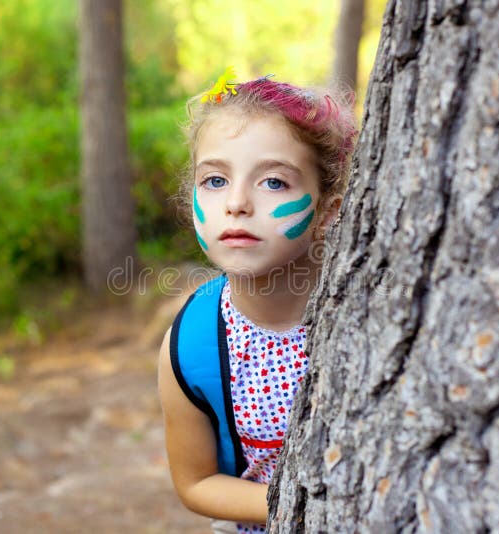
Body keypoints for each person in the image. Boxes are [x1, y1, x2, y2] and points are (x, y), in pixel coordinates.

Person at [157, 68, 358, 533]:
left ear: (327, 210)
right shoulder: (191, 346)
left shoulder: (364, 313)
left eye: (273, 183)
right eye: (215, 181)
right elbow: (196, 482)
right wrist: (303, 507)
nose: (237, 203)